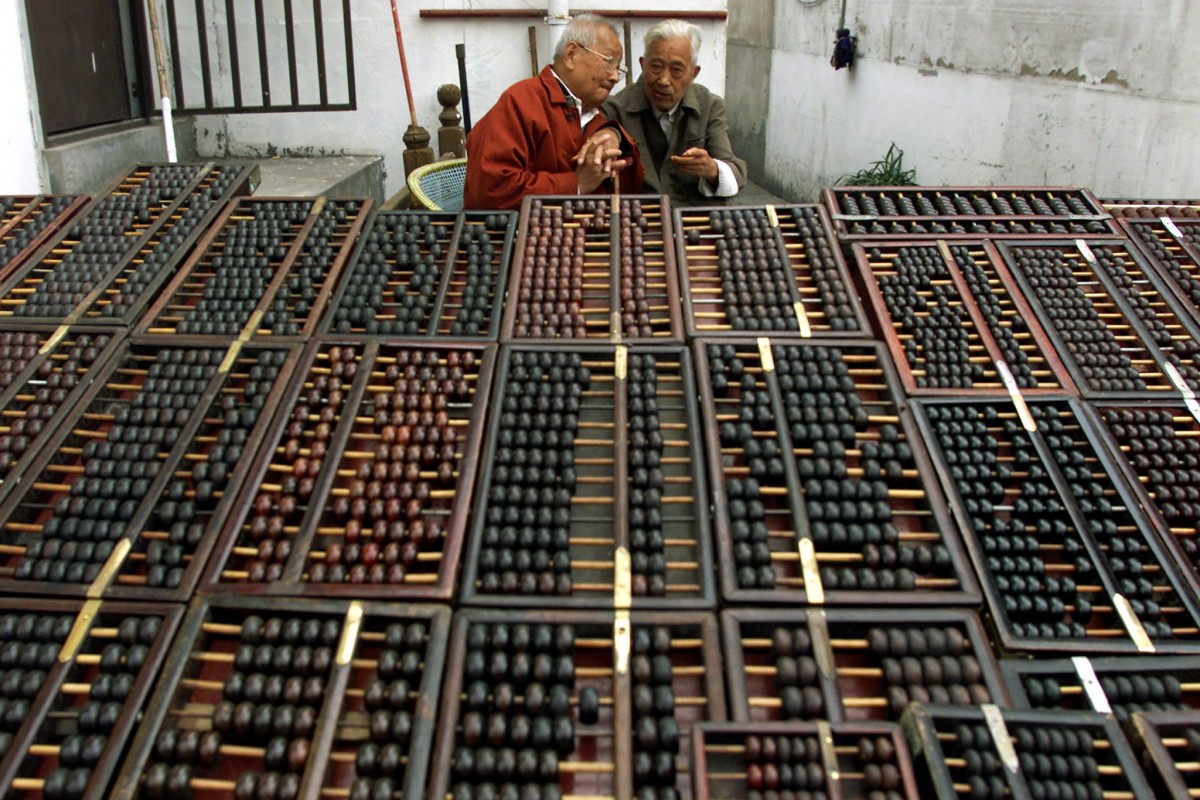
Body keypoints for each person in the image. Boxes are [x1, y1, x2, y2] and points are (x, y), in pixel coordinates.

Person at [463, 14, 644, 210]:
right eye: (609, 62)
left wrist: (617, 136)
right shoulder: (522, 101)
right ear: (571, 54)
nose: (615, 77)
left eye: (619, 68)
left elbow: (627, 192)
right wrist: (575, 185)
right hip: (520, 237)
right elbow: (489, 191)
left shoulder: (598, 118)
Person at [602, 19, 747, 206]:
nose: (663, 80)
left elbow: (734, 171)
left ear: (693, 74)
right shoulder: (615, 109)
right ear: (642, 64)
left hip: (693, 222)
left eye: (676, 70)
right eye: (656, 67)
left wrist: (711, 169)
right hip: (639, 223)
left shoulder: (709, 107)